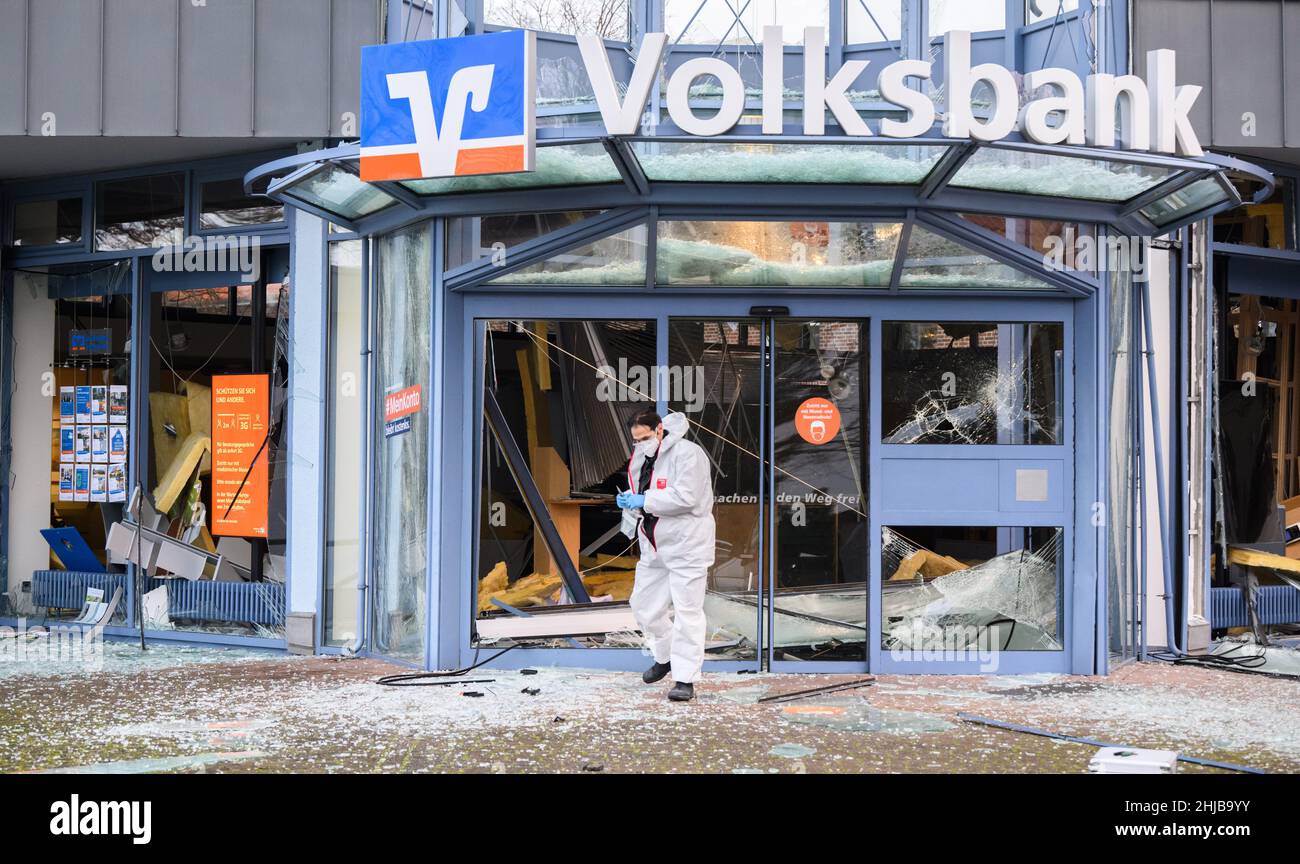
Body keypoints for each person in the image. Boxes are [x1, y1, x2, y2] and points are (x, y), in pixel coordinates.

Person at [616, 409, 716, 702]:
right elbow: (642, 496)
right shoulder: (641, 459)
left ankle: (685, 679)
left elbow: (688, 497)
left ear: (659, 430)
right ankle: (666, 656)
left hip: (687, 546)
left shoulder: (689, 454)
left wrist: (644, 500)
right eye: (636, 440)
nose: (640, 444)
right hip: (653, 545)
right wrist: (629, 505)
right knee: (643, 605)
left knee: (688, 612)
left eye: (645, 438)